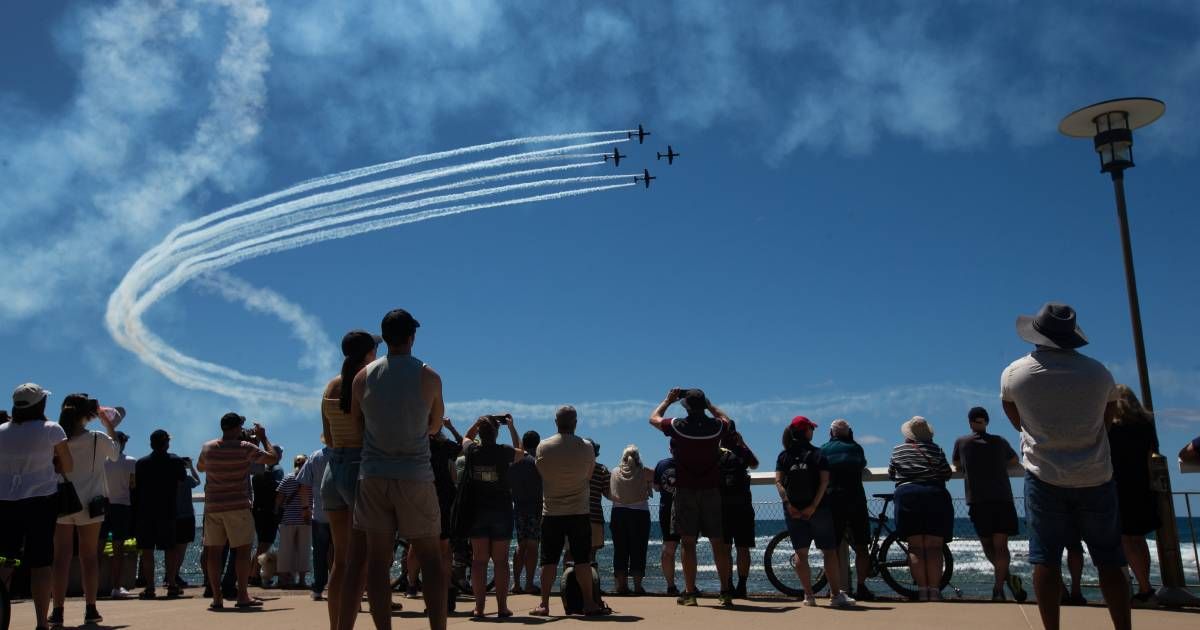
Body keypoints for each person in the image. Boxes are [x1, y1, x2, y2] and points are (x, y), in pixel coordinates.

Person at [1001, 303, 1130, 630]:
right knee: (1110, 559)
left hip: (1043, 475)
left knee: (1045, 559)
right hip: (1096, 474)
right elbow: (1109, 418)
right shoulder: (1099, 372)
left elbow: (1016, 419)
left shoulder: (1016, 373)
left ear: (1037, 335)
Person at [339, 308, 448, 630]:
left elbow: (358, 426)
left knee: (376, 561)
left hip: (373, 475)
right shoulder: (428, 376)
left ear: (384, 338)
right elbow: (435, 425)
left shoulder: (363, 376)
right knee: (430, 558)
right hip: (415, 474)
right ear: (412, 336)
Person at [649, 388, 734, 607]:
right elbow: (726, 420)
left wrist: (667, 400)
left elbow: (653, 419)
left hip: (686, 490)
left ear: (685, 406)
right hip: (711, 490)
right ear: (703, 405)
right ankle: (725, 591)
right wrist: (710, 405)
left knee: (688, 544)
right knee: (718, 543)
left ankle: (689, 592)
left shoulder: (679, 426)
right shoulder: (715, 428)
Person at [0, 384, 73, 630]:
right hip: (41, 500)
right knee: (41, 563)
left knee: (5, 560)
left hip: (5, 501)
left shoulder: (1, 431)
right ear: (40, 404)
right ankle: (42, 622)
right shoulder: (51, 429)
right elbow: (68, 465)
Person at [323, 329, 379, 629]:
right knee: (361, 562)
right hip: (359, 469)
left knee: (341, 561)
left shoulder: (331, 385)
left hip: (333, 472)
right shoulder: (367, 383)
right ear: (369, 353)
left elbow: (329, 437)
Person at [197, 412, 279, 610]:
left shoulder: (208, 447)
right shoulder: (245, 448)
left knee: (214, 553)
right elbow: (272, 459)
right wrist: (263, 438)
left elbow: (200, 467)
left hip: (214, 507)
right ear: (236, 429)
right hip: (238, 506)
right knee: (242, 550)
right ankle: (242, 595)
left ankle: (217, 597)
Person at [530, 405, 606, 616]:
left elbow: (542, 472)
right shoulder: (587, 447)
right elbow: (588, 475)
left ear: (556, 422)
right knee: (582, 560)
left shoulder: (543, 446)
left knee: (548, 560)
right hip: (579, 510)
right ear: (575, 422)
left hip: (552, 511)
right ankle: (589, 603)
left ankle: (544, 604)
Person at [51, 393, 119, 627]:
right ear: (87, 415)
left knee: (60, 559)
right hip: (91, 503)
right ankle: (90, 609)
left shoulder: (56, 438)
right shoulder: (97, 438)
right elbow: (115, 453)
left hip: (63, 502)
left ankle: (57, 610)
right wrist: (109, 425)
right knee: (89, 558)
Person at [777, 416, 855, 608]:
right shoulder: (818, 454)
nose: (813, 431)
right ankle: (836, 595)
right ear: (806, 432)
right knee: (828, 552)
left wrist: (789, 504)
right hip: (818, 510)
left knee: (800, 554)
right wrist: (813, 506)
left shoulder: (784, 456)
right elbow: (824, 482)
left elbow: (778, 482)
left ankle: (809, 596)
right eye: (811, 428)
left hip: (793, 509)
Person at [951, 407, 1025, 602]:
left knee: (987, 545)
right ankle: (999, 588)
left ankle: (1007, 579)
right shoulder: (1000, 442)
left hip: (978, 500)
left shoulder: (962, 442)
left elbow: (957, 464)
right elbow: (1015, 460)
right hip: (1003, 498)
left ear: (969, 422)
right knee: (1001, 546)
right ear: (987, 422)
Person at [460, 415, 525, 618]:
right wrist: (512, 427)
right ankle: (502, 607)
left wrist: (477, 424)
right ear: (496, 433)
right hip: (501, 511)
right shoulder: (503, 451)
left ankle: (479, 607)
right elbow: (521, 453)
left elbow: (465, 437)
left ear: (480, 432)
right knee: (501, 560)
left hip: (477, 510)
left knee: (479, 561)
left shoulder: (472, 450)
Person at [888, 416, 953, 602]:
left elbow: (892, 475)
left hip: (907, 495)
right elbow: (946, 473)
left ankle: (922, 591)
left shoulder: (898, 450)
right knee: (934, 547)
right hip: (935, 495)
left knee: (915, 547)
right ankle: (934, 591)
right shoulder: (936, 449)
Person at [1108, 384, 1161, 606]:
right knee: (1138, 539)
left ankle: (1141, 587)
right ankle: (1144, 585)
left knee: (1124, 538)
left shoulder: (1112, 428)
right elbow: (1153, 451)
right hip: (1142, 485)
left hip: (1118, 485)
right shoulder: (1146, 425)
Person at [820, 419, 875, 601]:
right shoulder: (856, 449)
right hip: (856, 500)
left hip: (833, 500)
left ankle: (834, 588)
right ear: (849, 432)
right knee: (861, 546)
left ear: (831, 433)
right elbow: (861, 464)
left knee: (832, 548)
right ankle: (861, 586)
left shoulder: (824, 449)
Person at [134, 429, 187, 600]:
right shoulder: (175, 461)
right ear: (167, 443)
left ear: (151, 444)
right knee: (170, 549)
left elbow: (135, 487)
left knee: (147, 551)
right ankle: (171, 584)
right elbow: (181, 482)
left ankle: (150, 587)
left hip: (145, 512)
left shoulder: (141, 463)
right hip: (167, 510)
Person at [717, 422, 758, 598]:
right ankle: (742, 585)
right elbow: (755, 464)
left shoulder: (716, 453)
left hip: (722, 506)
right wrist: (743, 443)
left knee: (724, 548)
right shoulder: (741, 451)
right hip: (743, 505)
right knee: (743, 548)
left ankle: (727, 585)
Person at [609, 444, 653, 595]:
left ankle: (621, 586)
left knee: (620, 550)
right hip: (639, 513)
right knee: (638, 550)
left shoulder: (614, 472)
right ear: (638, 457)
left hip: (618, 513)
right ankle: (638, 586)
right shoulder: (644, 471)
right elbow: (657, 478)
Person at [101, 426, 136, 599]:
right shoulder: (131, 461)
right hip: (121, 506)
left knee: (96, 549)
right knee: (118, 549)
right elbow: (133, 485)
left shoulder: (101, 461)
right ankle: (116, 586)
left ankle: (93, 586)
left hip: (102, 506)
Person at [509, 430, 542, 595]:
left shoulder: (514, 463)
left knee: (520, 547)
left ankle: (516, 584)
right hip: (534, 509)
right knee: (533, 547)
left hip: (518, 508)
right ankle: (529, 583)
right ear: (537, 444)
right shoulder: (536, 463)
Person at [297, 443, 331, 600]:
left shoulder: (315, 456)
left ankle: (318, 588)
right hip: (344, 514)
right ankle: (344, 585)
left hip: (320, 514)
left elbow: (303, 484)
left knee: (319, 553)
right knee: (343, 552)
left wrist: (305, 508)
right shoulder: (350, 454)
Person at [275, 454, 313, 589]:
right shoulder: (310, 479)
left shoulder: (288, 478)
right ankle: (302, 580)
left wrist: (278, 512)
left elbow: (279, 499)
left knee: (286, 550)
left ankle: (284, 579)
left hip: (288, 519)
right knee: (304, 549)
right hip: (306, 519)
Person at [249, 443, 284, 586]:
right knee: (265, 544)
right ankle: (255, 575)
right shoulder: (277, 470)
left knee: (260, 544)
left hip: (257, 511)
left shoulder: (257, 474)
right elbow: (279, 491)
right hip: (270, 512)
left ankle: (251, 574)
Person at [653, 457, 680, 595]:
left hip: (666, 509)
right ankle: (690, 586)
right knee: (689, 545)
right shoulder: (687, 463)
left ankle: (670, 585)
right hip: (686, 508)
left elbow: (657, 487)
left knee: (668, 547)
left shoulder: (661, 464)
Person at [174, 454, 201, 589]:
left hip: (173, 517)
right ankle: (175, 575)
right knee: (182, 549)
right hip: (186, 517)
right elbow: (198, 481)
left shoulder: (171, 480)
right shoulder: (187, 479)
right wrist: (191, 467)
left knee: (173, 549)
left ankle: (171, 574)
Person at [586, 440, 611, 573]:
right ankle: (592, 584)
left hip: (575, 513)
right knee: (592, 554)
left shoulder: (575, 467)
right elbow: (608, 493)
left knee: (573, 552)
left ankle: (572, 584)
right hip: (595, 515)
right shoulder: (602, 470)